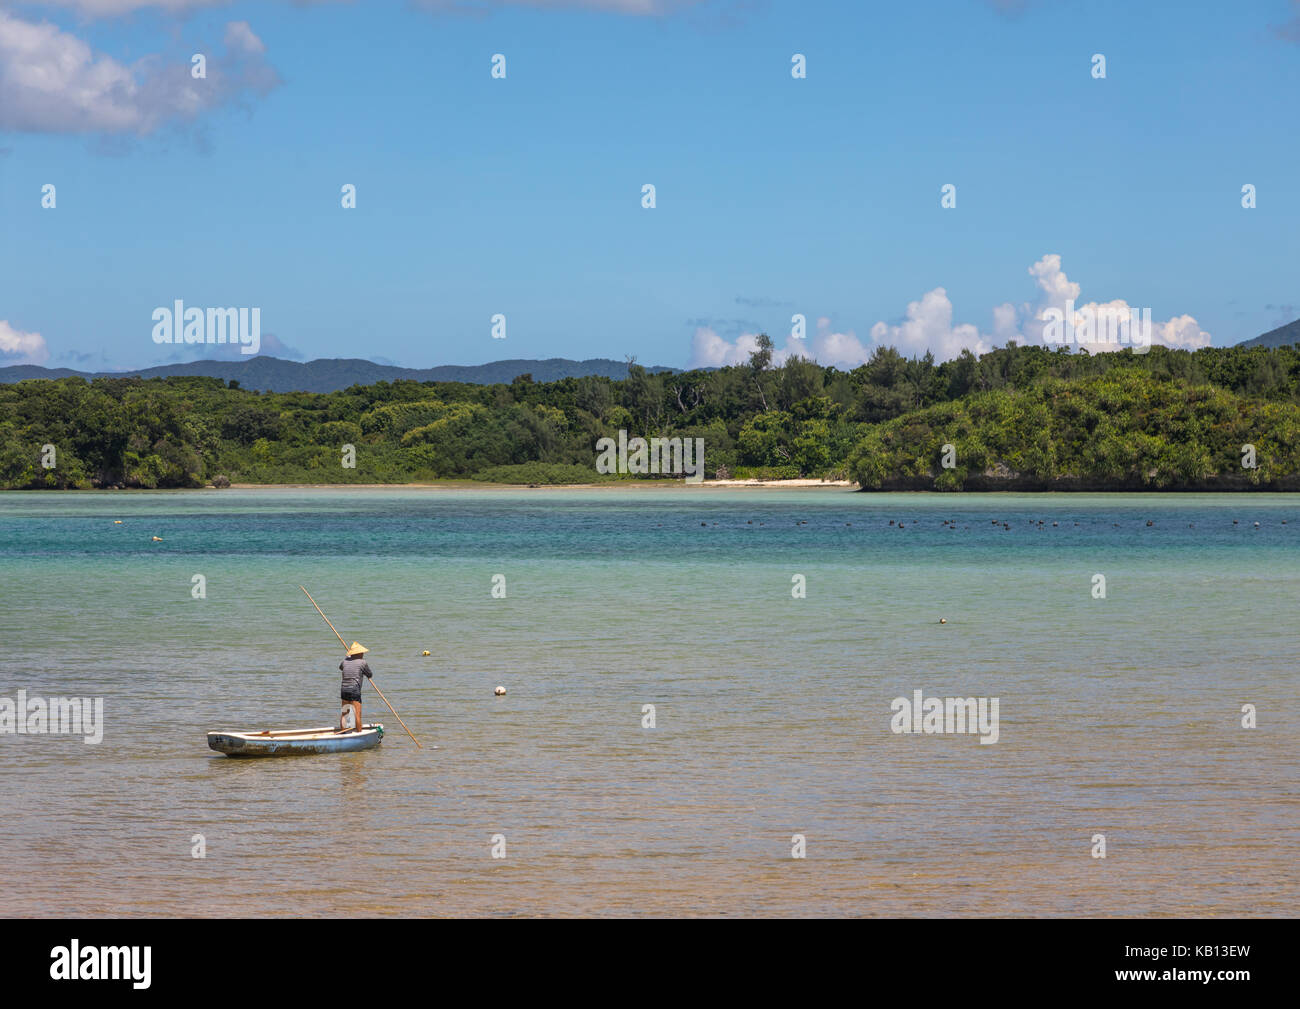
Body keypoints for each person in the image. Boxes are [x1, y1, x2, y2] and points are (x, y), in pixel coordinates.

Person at [339, 642, 373, 732]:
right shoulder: (363, 662)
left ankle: (343, 733)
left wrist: (348, 659)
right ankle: (359, 733)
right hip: (354, 690)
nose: (363, 654)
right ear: (358, 653)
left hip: (344, 689)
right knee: (357, 714)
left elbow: (341, 667)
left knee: (344, 713)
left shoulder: (344, 661)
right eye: (361, 653)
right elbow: (370, 674)